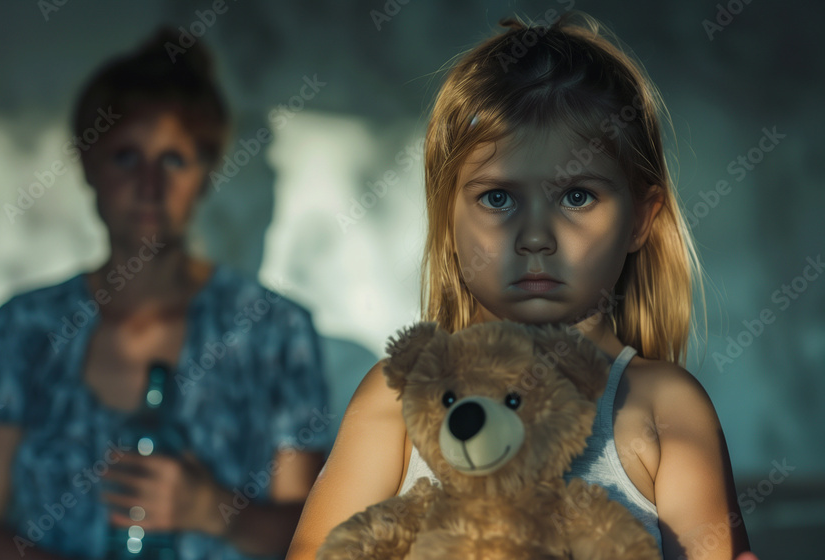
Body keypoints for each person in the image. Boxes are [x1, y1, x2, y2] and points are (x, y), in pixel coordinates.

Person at [286, 12, 755, 560]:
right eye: (499, 198)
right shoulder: (399, 397)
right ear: (448, 221)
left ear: (639, 220)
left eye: (577, 196)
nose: (535, 237)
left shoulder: (665, 406)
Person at [0, 26, 330, 560]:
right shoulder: (25, 326)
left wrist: (208, 507)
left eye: (174, 160)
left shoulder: (275, 331)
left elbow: (317, 538)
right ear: (88, 165)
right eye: (126, 156)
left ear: (207, 174)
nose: (150, 184)